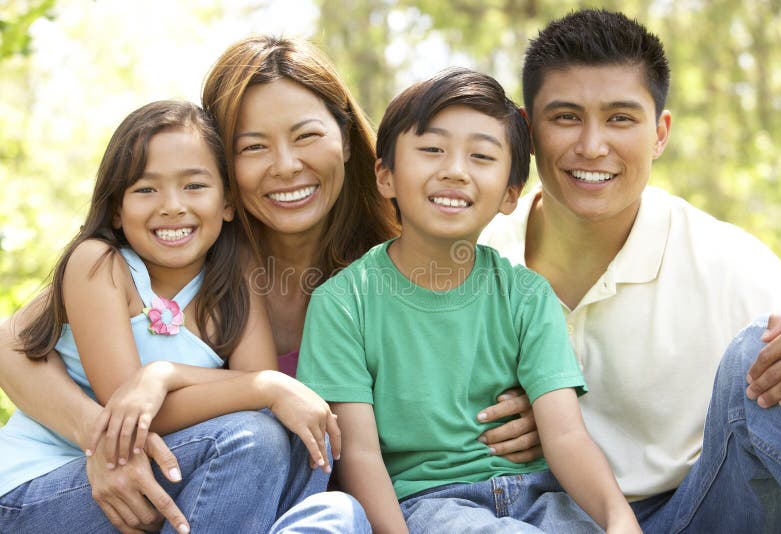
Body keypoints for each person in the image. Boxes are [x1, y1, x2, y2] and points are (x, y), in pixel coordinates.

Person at [0, 36, 538, 531]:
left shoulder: (402, 259)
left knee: (331, 505)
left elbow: (507, 337)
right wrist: (106, 441)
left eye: (306, 136)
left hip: (347, 501)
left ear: (347, 139)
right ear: (220, 161)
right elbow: (13, 345)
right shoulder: (184, 260)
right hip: (162, 480)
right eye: (252, 147)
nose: (286, 166)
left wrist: (539, 403)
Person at [479, 9, 781, 532]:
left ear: (659, 133)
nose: (591, 145)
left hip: (705, 507)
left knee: (777, 354)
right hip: (543, 516)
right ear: (527, 130)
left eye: (620, 118)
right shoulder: (473, 255)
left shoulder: (721, 259)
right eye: (565, 117)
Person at [297, 67, 641, 533]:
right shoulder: (343, 302)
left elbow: (565, 435)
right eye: (432, 150)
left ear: (510, 194)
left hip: (540, 496)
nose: (454, 171)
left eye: (481, 156)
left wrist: (619, 519)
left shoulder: (527, 296)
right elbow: (358, 454)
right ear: (386, 176)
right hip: (429, 505)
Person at [0, 100, 366, 534]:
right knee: (256, 437)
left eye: (194, 186)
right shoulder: (99, 265)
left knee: (330, 492)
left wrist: (166, 374)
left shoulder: (234, 278)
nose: (172, 206)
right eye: (146, 189)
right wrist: (264, 386)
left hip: (164, 474)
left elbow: (265, 392)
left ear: (228, 202)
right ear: (116, 208)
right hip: (41, 490)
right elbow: (131, 412)